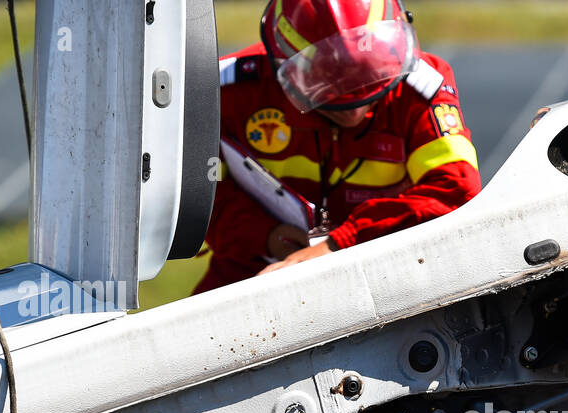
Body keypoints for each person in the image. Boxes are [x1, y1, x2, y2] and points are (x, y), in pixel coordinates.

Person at [195, 0, 481, 293]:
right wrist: (267, 236)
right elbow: (197, 193)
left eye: (369, 76)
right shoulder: (224, 91)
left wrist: (340, 244)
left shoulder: (421, 86)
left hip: (390, 266)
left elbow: (456, 189)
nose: (354, 109)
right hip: (257, 265)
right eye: (328, 85)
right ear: (284, 66)